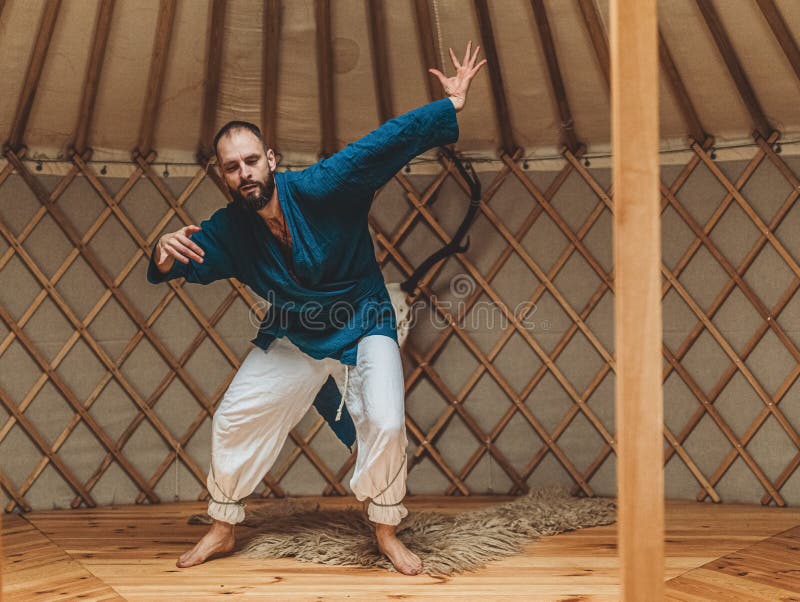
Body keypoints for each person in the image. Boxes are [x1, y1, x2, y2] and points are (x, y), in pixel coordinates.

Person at [147, 43, 486, 575]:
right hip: (296, 332)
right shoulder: (229, 228)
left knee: (387, 420)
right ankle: (222, 528)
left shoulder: (324, 187)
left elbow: (385, 143)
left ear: (272, 160)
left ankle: (385, 531)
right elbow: (183, 263)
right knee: (235, 415)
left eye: (252, 161)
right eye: (232, 167)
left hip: (365, 320)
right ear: (222, 175)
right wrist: (162, 252)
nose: (245, 173)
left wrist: (450, 107)